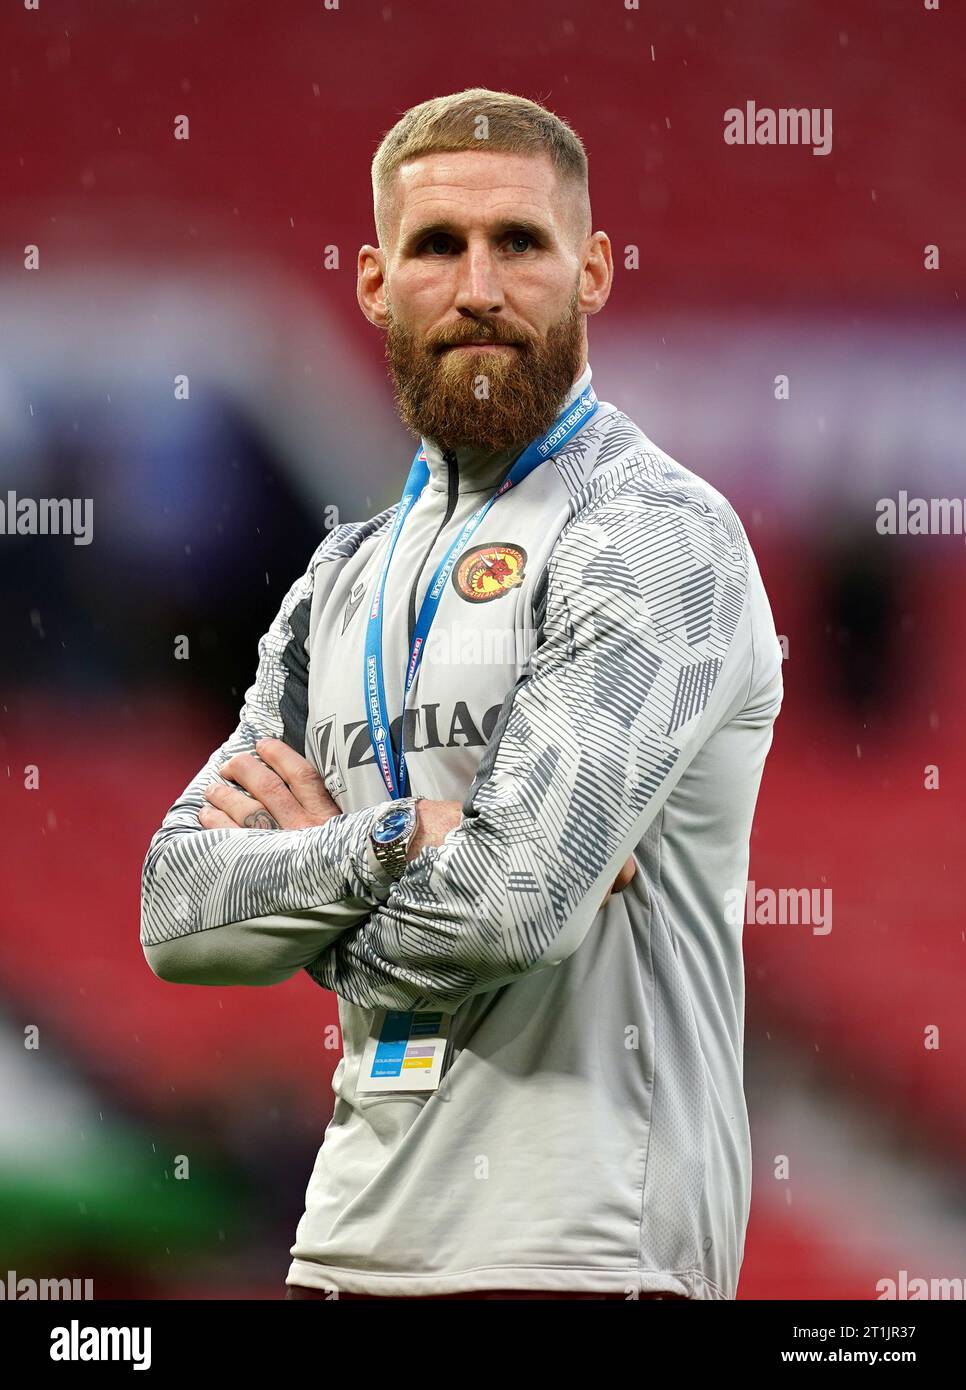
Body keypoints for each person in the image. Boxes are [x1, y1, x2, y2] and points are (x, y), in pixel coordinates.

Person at [140, 87, 784, 1301]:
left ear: (590, 271)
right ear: (378, 285)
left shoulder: (654, 535)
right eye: (439, 246)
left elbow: (514, 911)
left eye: (520, 243)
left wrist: (313, 891)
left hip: (583, 1257)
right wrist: (395, 836)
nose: (479, 285)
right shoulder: (338, 579)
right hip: (340, 1252)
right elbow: (175, 913)